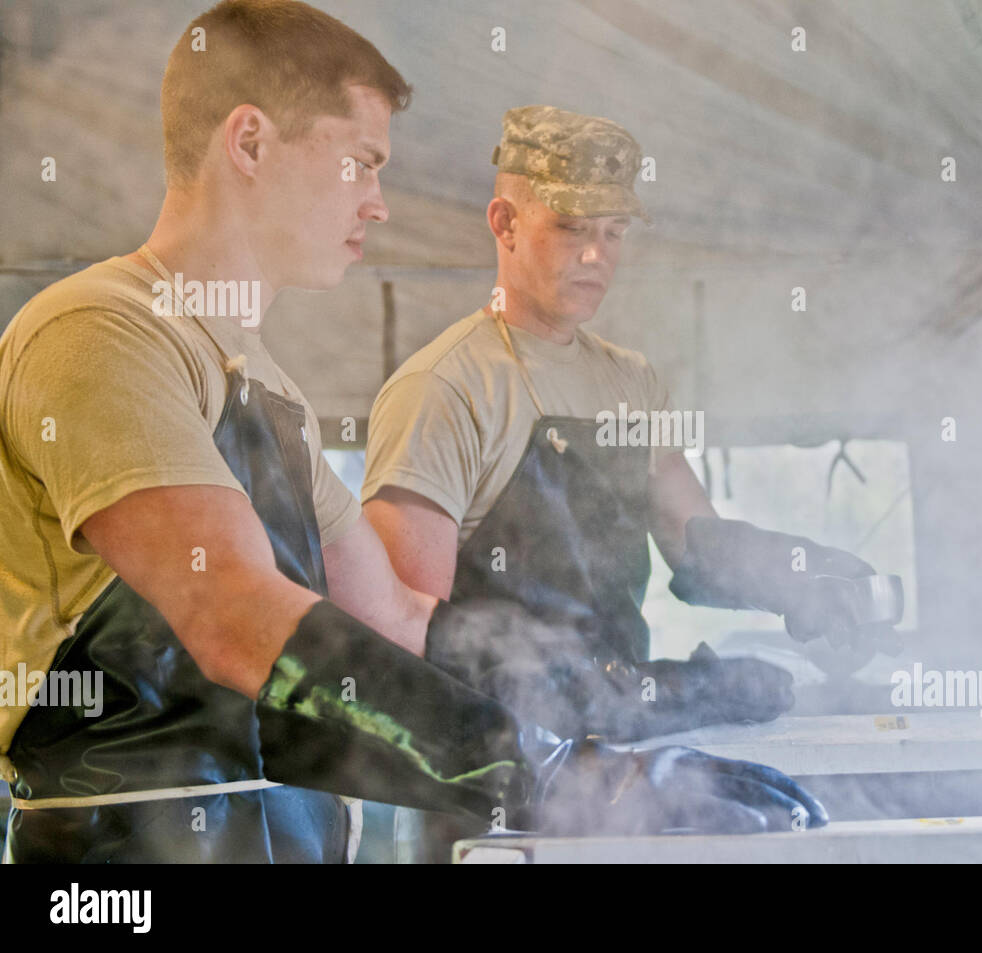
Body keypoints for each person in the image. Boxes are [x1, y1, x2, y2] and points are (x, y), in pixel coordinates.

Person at [0, 1, 826, 863]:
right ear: (248, 143)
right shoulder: (100, 331)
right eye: (361, 163)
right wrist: (538, 772)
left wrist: (626, 697)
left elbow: (398, 617)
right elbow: (233, 610)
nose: (381, 204)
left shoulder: (266, 385)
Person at [362, 105, 905, 744]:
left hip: (622, 750)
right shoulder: (443, 388)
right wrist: (659, 692)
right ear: (504, 224)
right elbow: (403, 635)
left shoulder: (631, 382)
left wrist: (803, 575)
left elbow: (693, 542)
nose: (596, 255)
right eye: (570, 227)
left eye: (614, 231)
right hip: (488, 773)